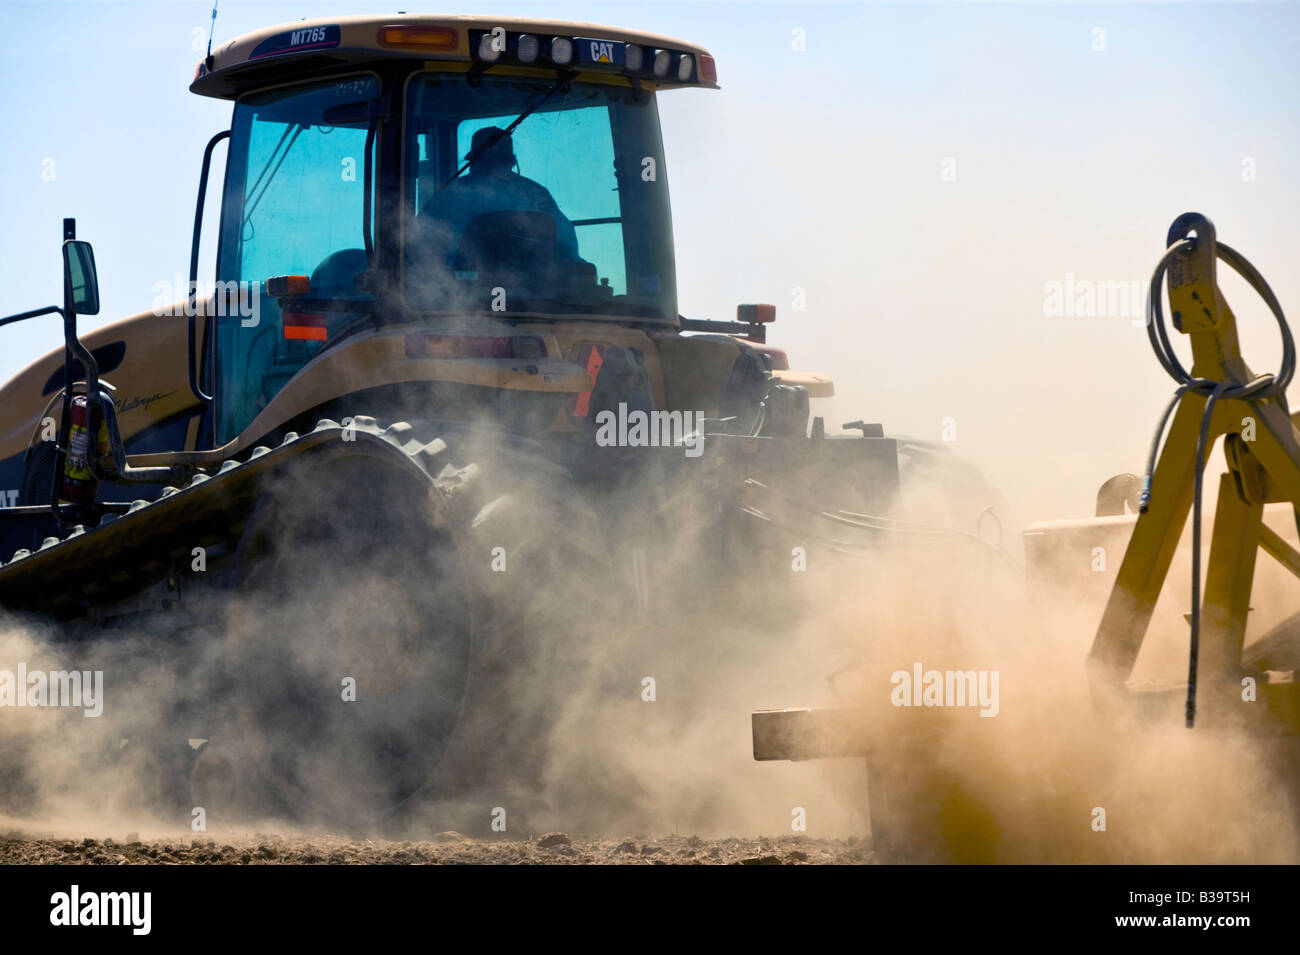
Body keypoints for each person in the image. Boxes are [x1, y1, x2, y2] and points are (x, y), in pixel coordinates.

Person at [420, 126, 580, 266]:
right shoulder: (536, 193)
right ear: (511, 161)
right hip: (537, 292)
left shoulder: (451, 195)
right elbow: (567, 248)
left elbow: (419, 242)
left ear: (474, 160)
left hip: (462, 291)